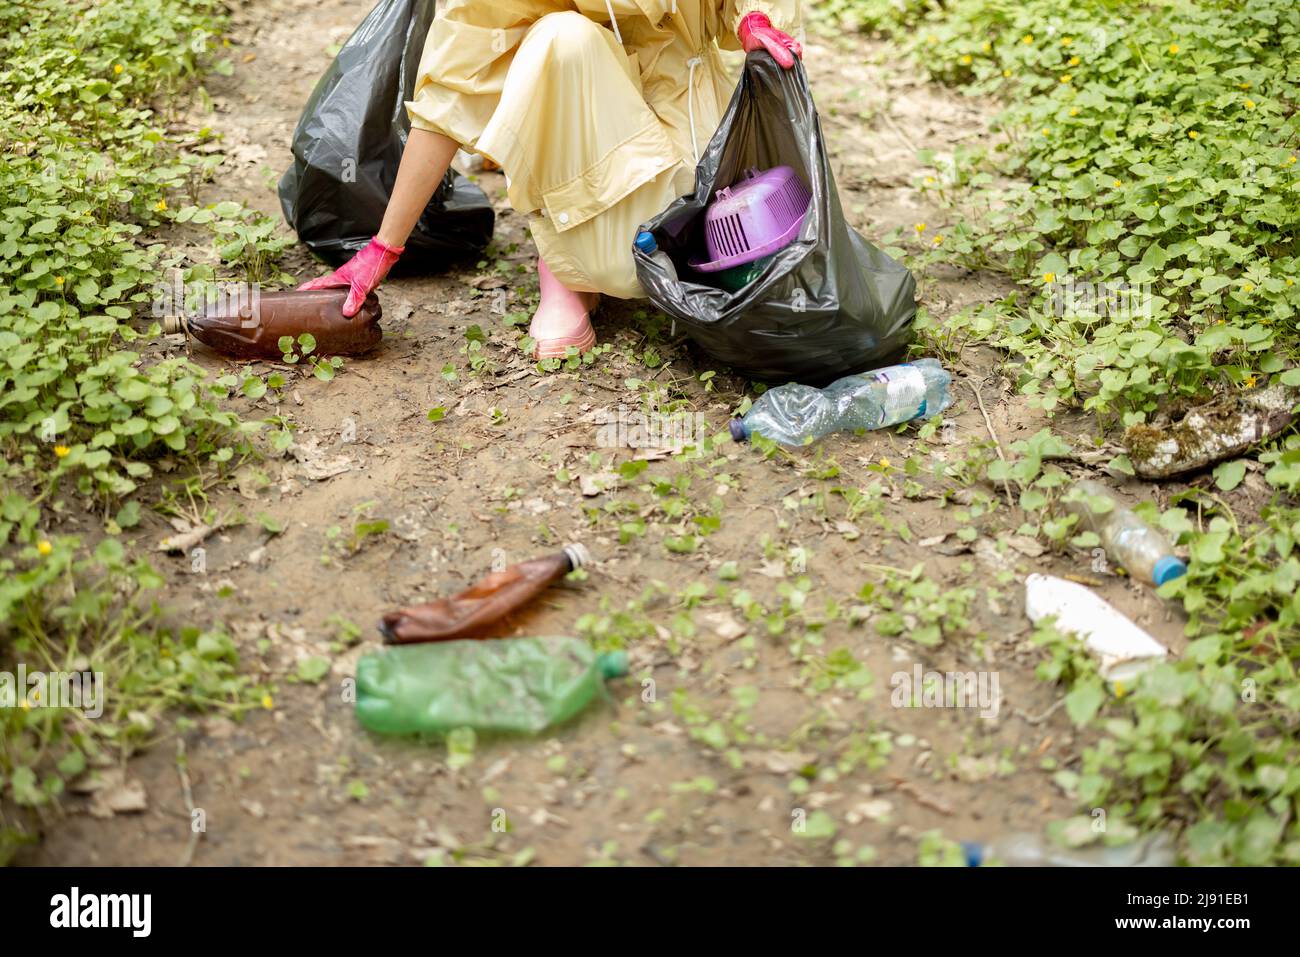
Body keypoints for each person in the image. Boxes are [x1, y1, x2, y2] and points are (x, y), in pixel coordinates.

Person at [300, 0, 803, 357]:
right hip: (590, 134)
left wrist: (757, 20)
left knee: (701, 251)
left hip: (692, 122)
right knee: (562, 39)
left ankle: (615, 255)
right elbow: (448, 99)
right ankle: (566, 267)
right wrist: (382, 249)